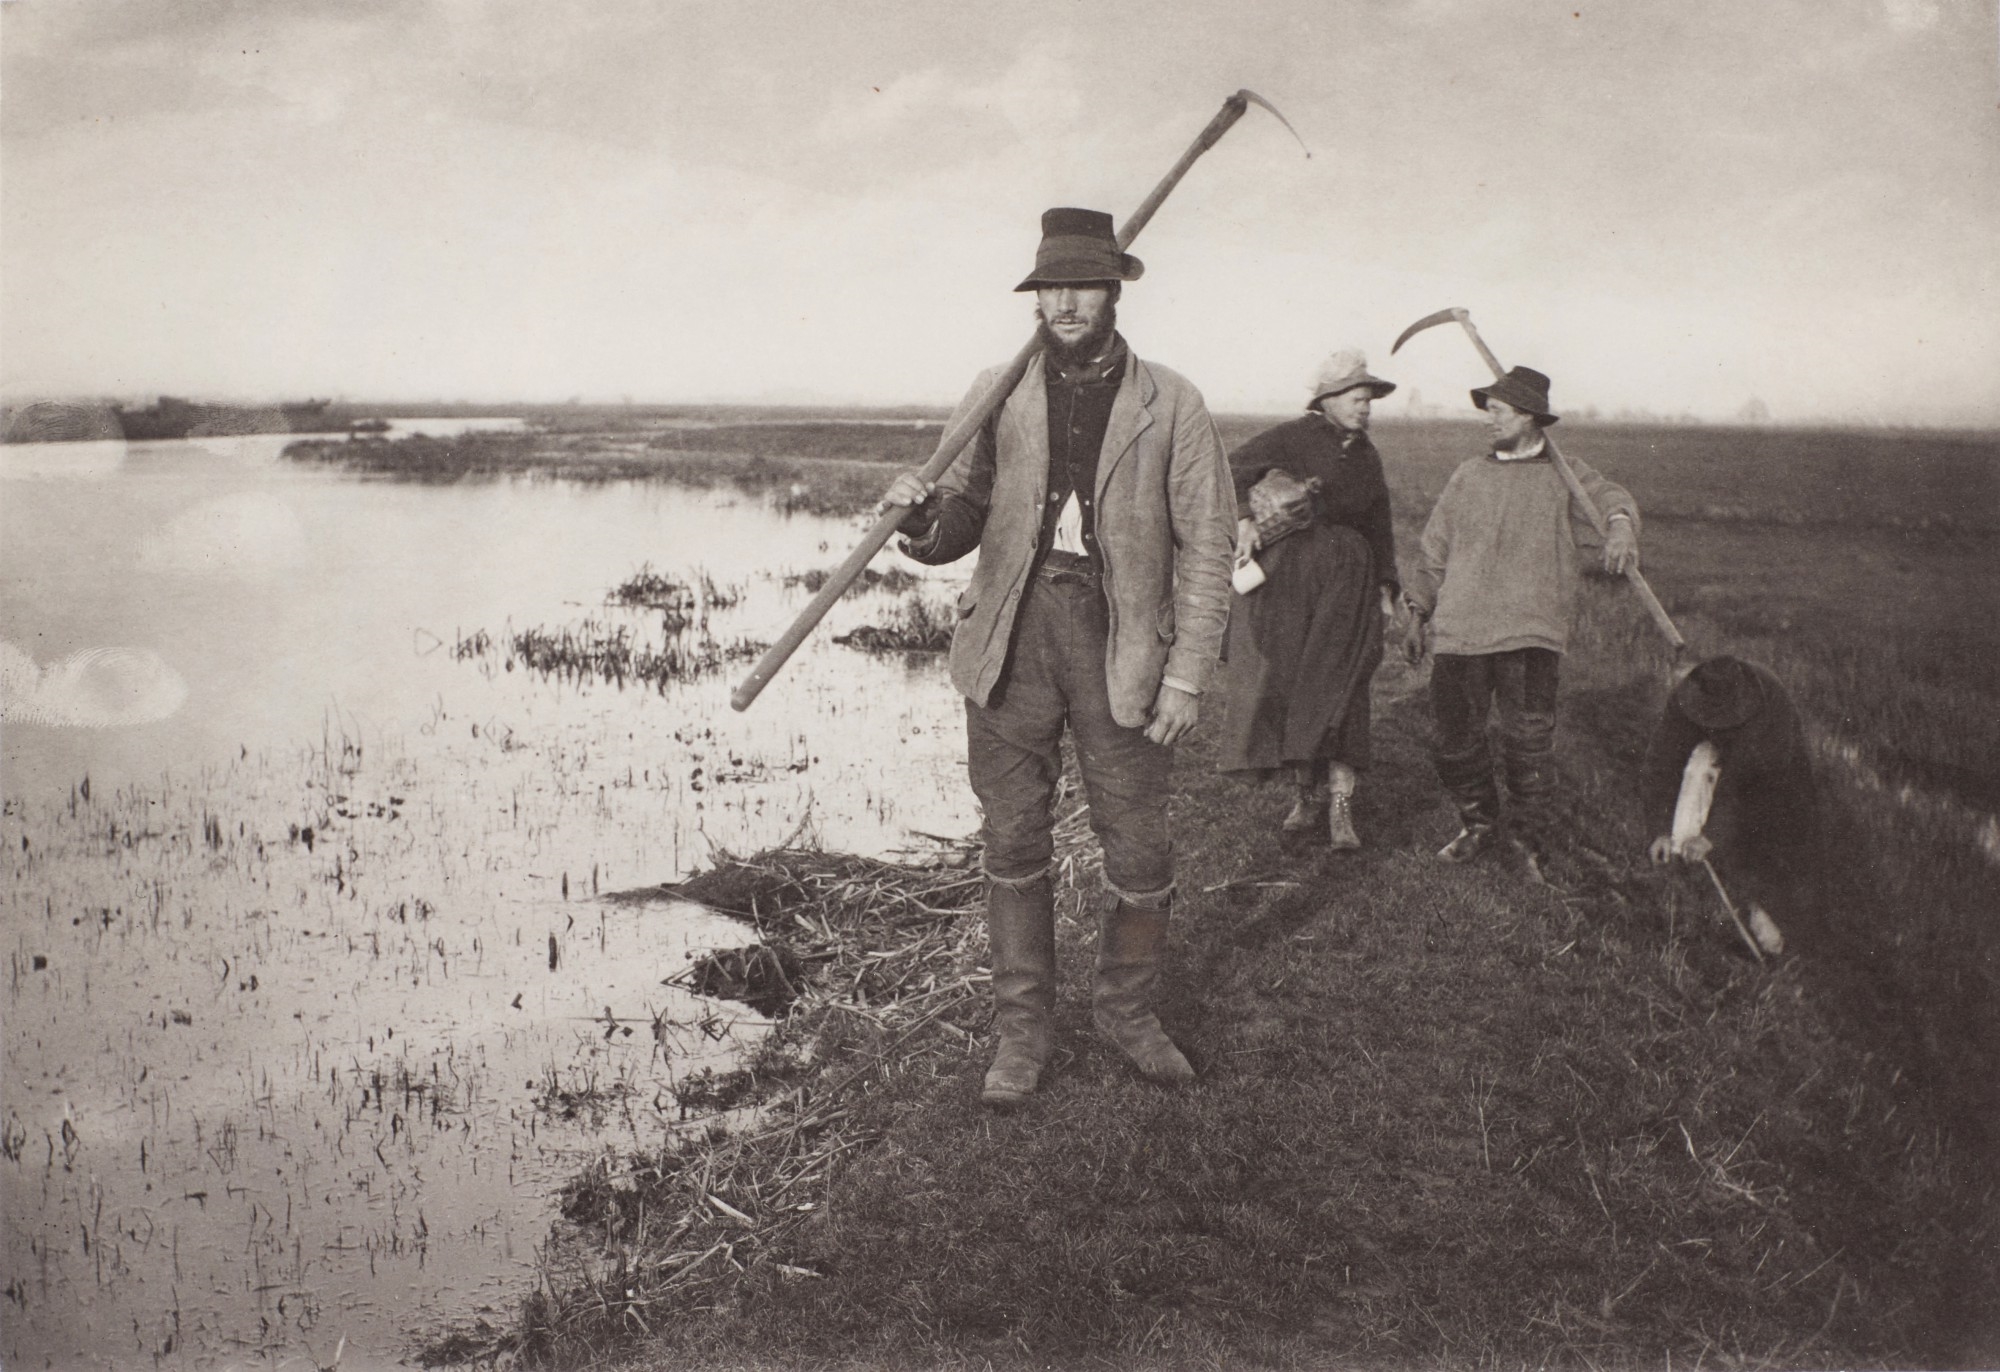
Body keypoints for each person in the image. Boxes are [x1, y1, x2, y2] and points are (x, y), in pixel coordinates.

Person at [880, 207, 1236, 1107]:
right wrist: (921, 518)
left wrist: (1186, 673)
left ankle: (1128, 1013)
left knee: (1141, 847)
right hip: (1012, 641)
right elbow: (960, 517)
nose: (1065, 302)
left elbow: (1208, 548)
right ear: (1035, 298)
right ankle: (1022, 1035)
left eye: (1082, 285)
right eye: (1050, 288)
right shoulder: (997, 392)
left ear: (1114, 291)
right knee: (1012, 836)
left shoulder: (1173, 403)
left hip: (1122, 646)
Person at [1401, 366, 1640, 864]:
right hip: (1462, 634)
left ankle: (1527, 840)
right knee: (1453, 740)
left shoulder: (1565, 475)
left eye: (1499, 411)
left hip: (1531, 634)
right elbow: (1433, 551)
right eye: (1488, 411)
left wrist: (1620, 528)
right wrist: (1418, 613)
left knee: (1528, 745)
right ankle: (1479, 824)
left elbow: (1611, 499)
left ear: (1530, 416)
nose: (1489, 420)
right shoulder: (1468, 475)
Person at [1217, 349, 1399, 849]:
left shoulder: (1366, 454)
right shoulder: (1291, 437)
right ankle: (1306, 795)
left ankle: (1342, 807)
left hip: (1351, 579)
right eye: (1358, 399)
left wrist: (1386, 585)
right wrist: (1244, 519)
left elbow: (1379, 522)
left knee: (1344, 682)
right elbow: (1230, 468)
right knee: (1297, 680)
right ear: (1330, 400)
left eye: (1369, 401)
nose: (1365, 409)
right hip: (1293, 576)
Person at [1643, 655, 1819, 955]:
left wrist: (1711, 835)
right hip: (1730, 754)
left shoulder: (1770, 714)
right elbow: (1662, 760)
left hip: (1774, 773)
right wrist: (1661, 829)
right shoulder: (1687, 695)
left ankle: (1770, 917)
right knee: (1698, 771)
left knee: (1773, 831)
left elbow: (1739, 786)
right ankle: (1686, 852)